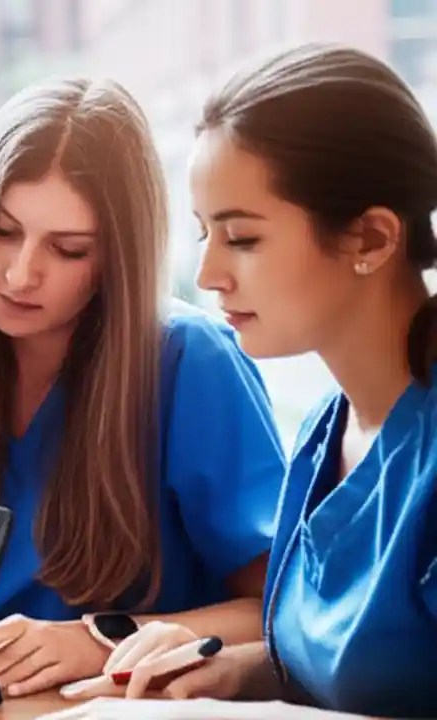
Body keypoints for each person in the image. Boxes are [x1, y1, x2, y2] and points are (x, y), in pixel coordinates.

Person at [0, 77, 287, 697]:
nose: (20, 274)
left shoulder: (188, 363)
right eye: (2, 231)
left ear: (116, 259)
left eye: (68, 249)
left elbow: (280, 609)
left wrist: (100, 638)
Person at [58, 43, 437, 720]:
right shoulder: (330, 429)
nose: (207, 276)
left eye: (242, 238)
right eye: (204, 233)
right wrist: (226, 671)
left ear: (373, 240)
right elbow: (359, 664)